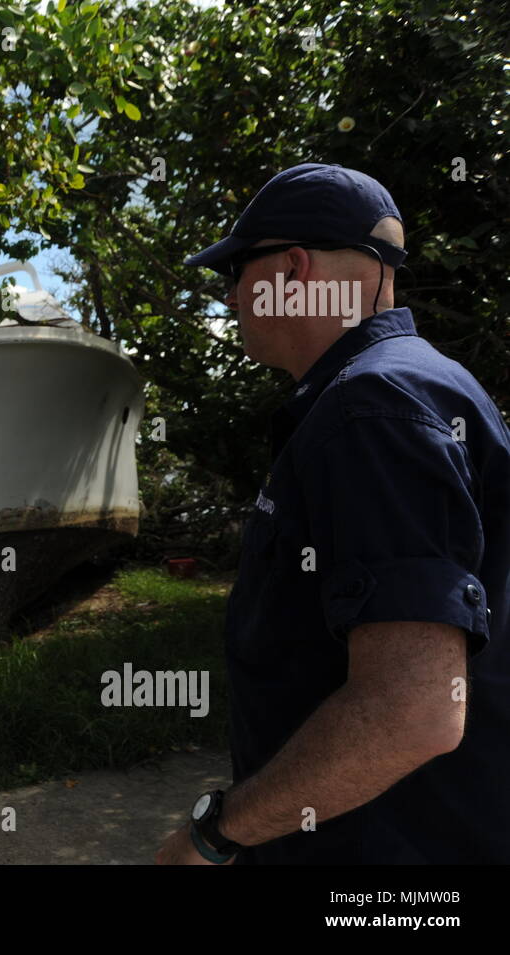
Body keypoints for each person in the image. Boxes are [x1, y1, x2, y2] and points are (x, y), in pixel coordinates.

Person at [158, 163, 510, 864]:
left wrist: (213, 835)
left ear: (292, 269)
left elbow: (414, 711)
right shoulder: (416, 386)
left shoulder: (371, 410)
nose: (229, 297)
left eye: (237, 271)